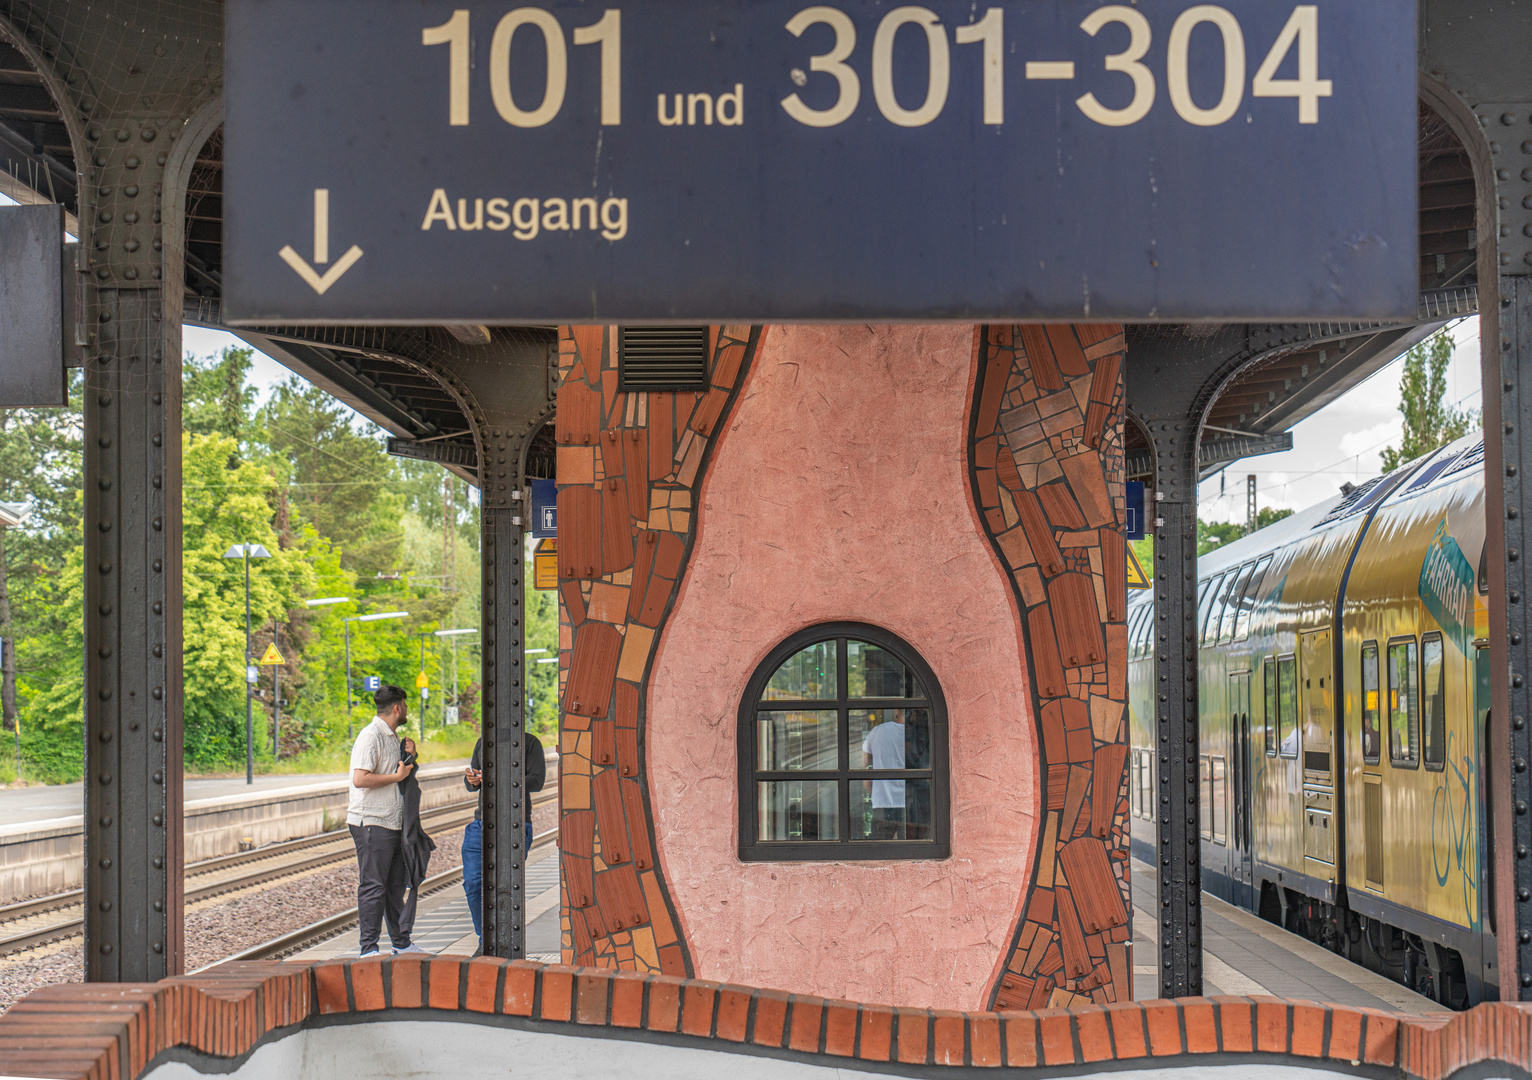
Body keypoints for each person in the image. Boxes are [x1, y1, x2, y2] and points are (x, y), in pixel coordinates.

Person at [347, 683, 427, 958]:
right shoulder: (370, 736)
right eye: (404, 706)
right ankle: (368, 949)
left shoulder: (392, 737)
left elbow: (400, 772)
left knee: (394, 886)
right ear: (397, 708)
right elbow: (360, 779)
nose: (406, 710)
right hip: (371, 821)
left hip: (391, 822)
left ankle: (401, 943)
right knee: (373, 885)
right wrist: (396, 777)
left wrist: (411, 757)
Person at [462, 730, 546, 955]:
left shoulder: (530, 743)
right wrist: (472, 780)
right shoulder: (483, 742)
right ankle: (485, 940)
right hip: (481, 823)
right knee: (473, 883)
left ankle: (503, 942)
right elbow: (474, 782)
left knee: (506, 885)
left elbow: (537, 781)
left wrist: (495, 778)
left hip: (515, 824)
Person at [862, 709, 907, 840]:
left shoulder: (877, 731)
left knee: (879, 850)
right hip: (909, 803)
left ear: (897, 712)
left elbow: (864, 768)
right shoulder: (917, 733)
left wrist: (876, 793)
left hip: (882, 803)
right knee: (913, 851)